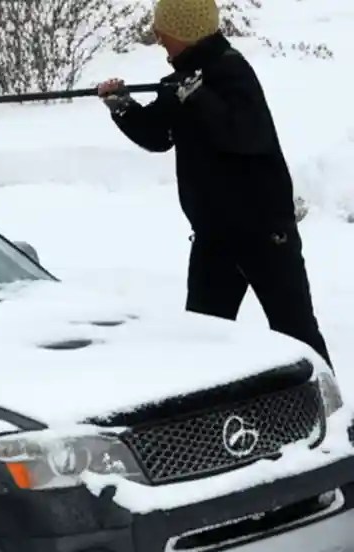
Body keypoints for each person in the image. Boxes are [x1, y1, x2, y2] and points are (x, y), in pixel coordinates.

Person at [96, 0, 332, 368]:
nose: (158, 38)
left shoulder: (231, 71)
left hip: (264, 233)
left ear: (186, 30)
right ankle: (208, 418)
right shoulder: (181, 79)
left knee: (295, 330)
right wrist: (122, 106)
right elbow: (159, 136)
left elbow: (247, 137)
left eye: (164, 30)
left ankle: (331, 417)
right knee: (202, 336)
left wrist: (199, 97)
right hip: (214, 237)